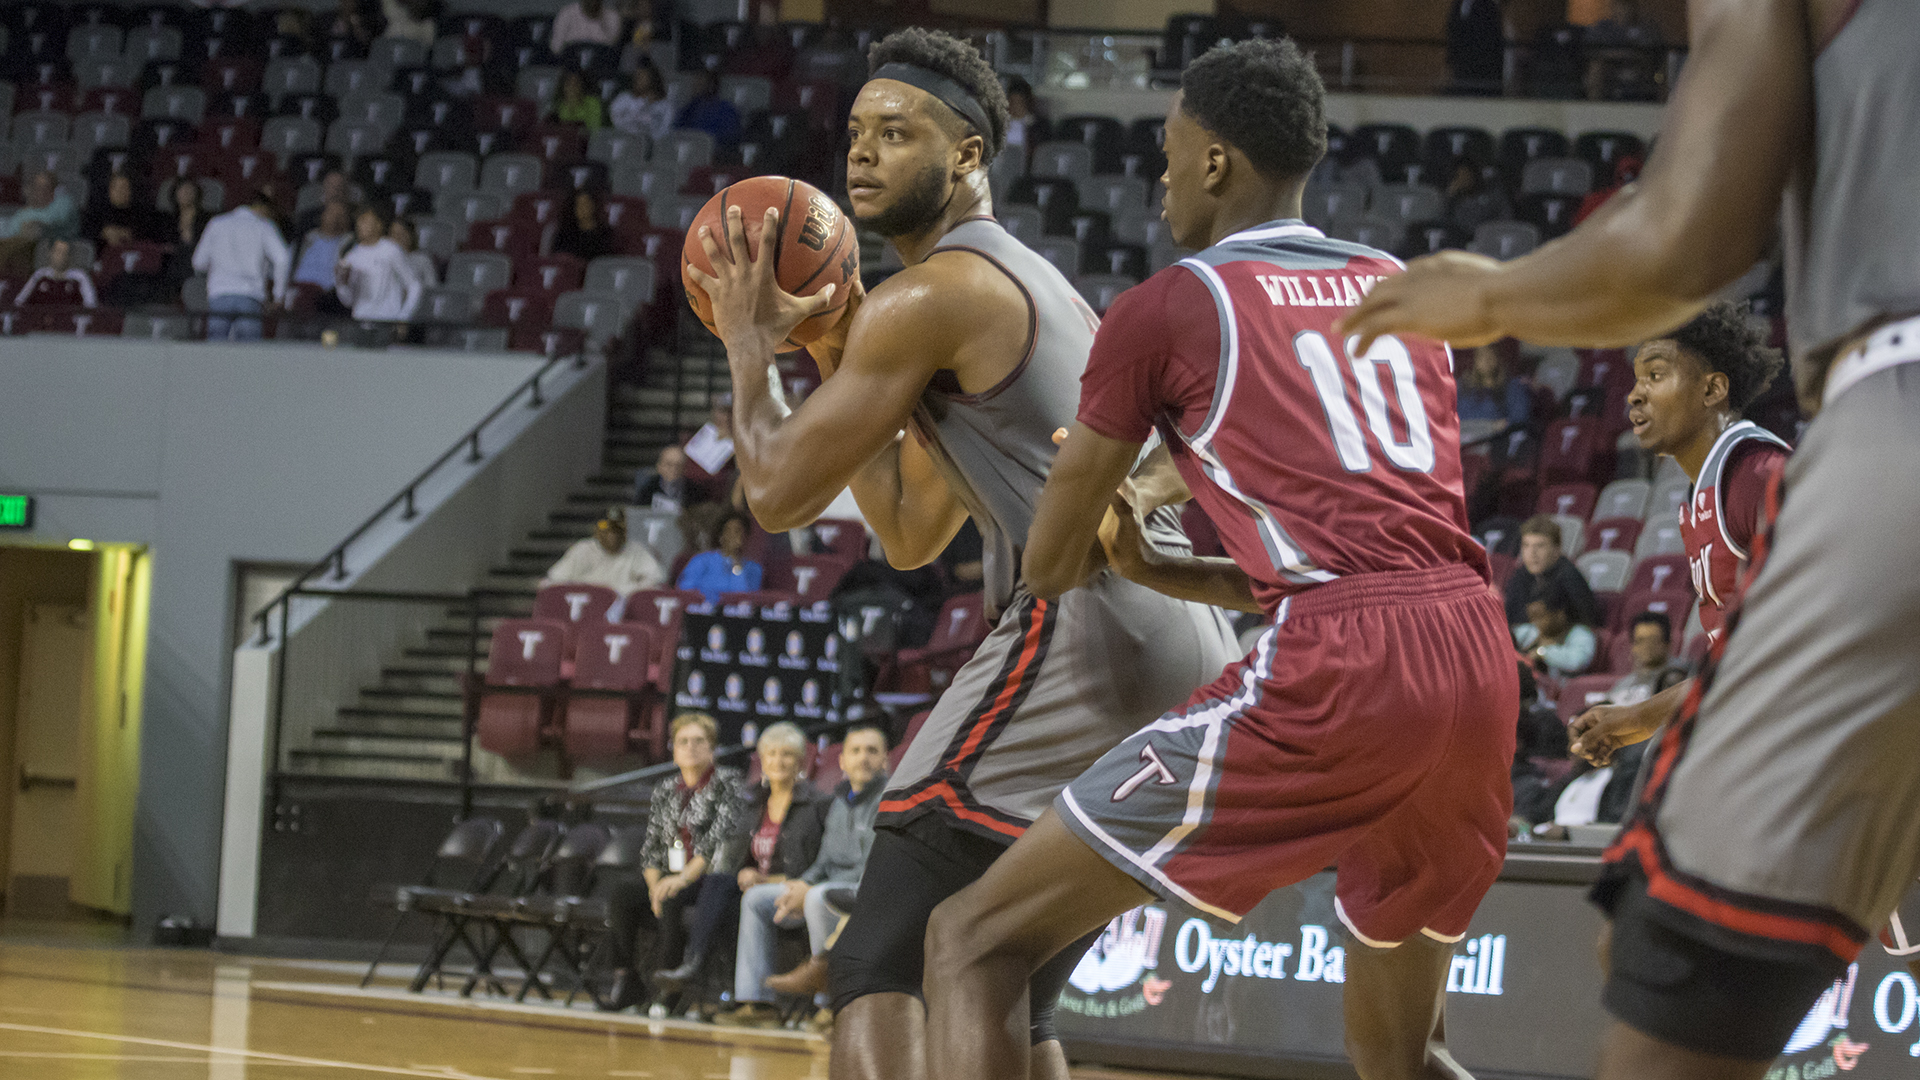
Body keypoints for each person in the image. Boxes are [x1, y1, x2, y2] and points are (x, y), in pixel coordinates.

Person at [915, 39, 1517, 1080]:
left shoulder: (1166, 307)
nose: (1157, 174)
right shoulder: (1392, 287)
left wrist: (1087, 491)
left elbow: (1051, 564)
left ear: (1214, 162)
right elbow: (1359, 553)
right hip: (1470, 650)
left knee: (969, 941)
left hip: (1342, 670)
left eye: (1166, 149)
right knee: (1403, 1055)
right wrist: (1164, 566)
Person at [1341, 0, 1920, 1070]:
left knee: (1670, 965)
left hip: (1897, 410)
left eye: (1659, 373)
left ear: (1706, 380)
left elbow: (1689, 232)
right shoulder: (1710, 483)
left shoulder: (1751, 467)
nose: (1639, 393)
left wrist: (1492, 297)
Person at [683, 28, 1237, 1080]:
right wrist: (819, 342)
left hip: (1093, 625)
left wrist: (749, 339)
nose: (862, 156)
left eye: (898, 134)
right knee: (1003, 983)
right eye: (855, 133)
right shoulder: (1012, 287)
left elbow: (777, 490)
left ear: (971, 153)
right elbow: (906, 530)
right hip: (1183, 653)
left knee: (878, 962)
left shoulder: (935, 294)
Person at [1565, 303, 1787, 758]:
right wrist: (1640, 716)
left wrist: (1642, 716)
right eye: (1635, 379)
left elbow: (1795, 652)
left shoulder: (1760, 475)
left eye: (1656, 375)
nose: (1634, 395)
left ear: (1713, 390)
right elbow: (1744, 663)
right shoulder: (1702, 494)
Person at [716, 724, 887, 1029]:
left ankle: (826, 1003)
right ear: (842, 762)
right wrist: (801, 884)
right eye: (855, 751)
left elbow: (875, 868)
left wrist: (810, 889)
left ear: (885, 760)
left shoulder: (888, 801)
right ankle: (757, 1002)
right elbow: (823, 861)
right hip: (829, 887)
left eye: (872, 751)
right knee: (756, 898)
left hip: (867, 891)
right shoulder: (839, 802)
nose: (863, 758)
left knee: (818, 898)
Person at [603, 713, 745, 1014]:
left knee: (673, 896)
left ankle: (670, 989)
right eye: (683, 742)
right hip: (670, 875)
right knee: (623, 894)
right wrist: (654, 886)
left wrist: (679, 881)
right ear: (673, 749)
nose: (691, 748)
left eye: (699, 741)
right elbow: (653, 846)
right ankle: (626, 978)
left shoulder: (728, 783)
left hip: (710, 877)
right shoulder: (666, 788)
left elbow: (716, 842)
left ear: (713, 748)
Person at [192, 190, 292, 342]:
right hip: (250, 295)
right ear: (262, 207)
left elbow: (198, 262)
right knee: (248, 355)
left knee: (215, 353)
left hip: (219, 294)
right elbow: (283, 259)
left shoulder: (216, 224)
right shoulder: (264, 226)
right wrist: (279, 296)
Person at [1502, 515, 1600, 629]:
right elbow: (1509, 620)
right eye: (1526, 546)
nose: (1532, 553)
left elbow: (1586, 622)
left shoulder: (1570, 577)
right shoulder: (1520, 576)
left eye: (1540, 546)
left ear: (1556, 550)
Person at [542, 507, 666, 595]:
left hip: (622, 613)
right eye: (606, 529)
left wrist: (629, 590)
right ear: (596, 530)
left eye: (617, 529)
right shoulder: (583, 549)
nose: (612, 535)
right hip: (586, 608)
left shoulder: (635, 550)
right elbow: (552, 581)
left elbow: (657, 580)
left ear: (625, 531)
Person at [334, 207, 423, 321]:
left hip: (388, 319)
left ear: (379, 225)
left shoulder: (391, 250)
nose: (361, 225)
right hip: (361, 319)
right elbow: (348, 301)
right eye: (359, 221)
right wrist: (342, 283)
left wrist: (404, 317)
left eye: (366, 221)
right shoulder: (352, 257)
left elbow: (414, 285)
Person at [0, 171, 80, 273]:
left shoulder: (63, 202)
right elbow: (9, 229)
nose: (40, 191)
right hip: (17, 243)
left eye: (45, 187)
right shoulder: (25, 212)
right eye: (36, 187)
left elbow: (55, 221)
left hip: (52, 245)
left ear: (53, 190)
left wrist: (36, 225)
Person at [1515, 579, 1597, 678]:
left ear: (1560, 614)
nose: (1534, 622)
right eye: (1532, 617)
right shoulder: (1530, 631)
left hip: (1564, 689)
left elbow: (1576, 661)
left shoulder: (1581, 634)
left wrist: (1542, 653)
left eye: (1540, 617)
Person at [1606, 611, 1687, 707]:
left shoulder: (1680, 678)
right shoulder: (1623, 684)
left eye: (1653, 641)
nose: (1646, 647)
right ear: (1633, 646)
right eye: (1640, 641)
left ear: (1667, 643)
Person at [676, 511, 760, 602]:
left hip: (733, 615)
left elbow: (743, 600)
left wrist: (736, 565)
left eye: (737, 531)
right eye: (728, 531)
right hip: (700, 612)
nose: (733, 536)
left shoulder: (753, 569)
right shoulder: (702, 561)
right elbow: (684, 592)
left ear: (745, 537)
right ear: (721, 536)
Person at [1455, 344, 1532, 442]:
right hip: (1462, 442)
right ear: (1475, 359)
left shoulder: (1512, 387)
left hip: (1493, 444)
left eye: (1491, 355)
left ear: (1498, 358)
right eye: (1481, 356)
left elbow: (1518, 421)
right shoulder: (1463, 386)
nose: (1486, 360)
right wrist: (1490, 426)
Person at [672, 69, 742, 159]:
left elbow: (730, 138)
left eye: (701, 81)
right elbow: (676, 129)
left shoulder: (726, 109)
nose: (695, 84)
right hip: (687, 151)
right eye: (696, 81)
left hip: (713, 156)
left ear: (711, 85)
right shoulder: (691, 107)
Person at [86, 173, 165, 250]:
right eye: (119, 188)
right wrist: (104, 233)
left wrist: (127, 234)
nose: (122, 192)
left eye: (125, 188)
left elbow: (147, 233)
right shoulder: (98, 211)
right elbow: (88, 230)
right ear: (111, 190)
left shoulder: (140, 213)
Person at [161, 176, 210, 296]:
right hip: (172, 264)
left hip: (196, 262)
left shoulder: (206, 219)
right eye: (182, 189)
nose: (186, 193)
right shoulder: (168, 219)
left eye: (190, 189)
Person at [15, 239, 99, 308]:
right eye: (58, 252)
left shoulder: (80, 277)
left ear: (69, 256)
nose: (61, 256)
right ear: (50, 253)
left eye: (65, 253)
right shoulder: (39, 275)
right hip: (40, 323)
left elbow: (90, 305)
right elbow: (19, 301)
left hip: (68, 324)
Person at [1445, 0, 1505, 95]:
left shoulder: (1487, 5)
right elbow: (1453, 30)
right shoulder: (1458, 4)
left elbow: (1490, 39)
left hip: (1482, 71)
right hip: (1461, 67)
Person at [292, 201, 354, 292]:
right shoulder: (306, 239)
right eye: (331, 213)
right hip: (297, 290)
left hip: (326, 295)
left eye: (340, 215)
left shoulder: (349, 244)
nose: (335, 219)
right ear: (322, 215)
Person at [609, 61, 675, 141]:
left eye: (641, 76)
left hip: (652, 145)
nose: (637, 79)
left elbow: (663, 130)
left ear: (651, 79)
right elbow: (616, 120)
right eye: (636, 76)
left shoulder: (664, 106)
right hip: (626, 142)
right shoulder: (624, 98)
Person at [551, 189, 618, 262]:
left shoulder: (605, 233)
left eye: (586, 204)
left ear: (593, 205)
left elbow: (606, 259)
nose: (583, 209)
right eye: (579, 205)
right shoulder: (566, 233)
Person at [294, 170, 355, 238]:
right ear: (324, 187)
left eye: (340, 186)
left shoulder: (355, 219)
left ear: (346, 190)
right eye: (331, 185)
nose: (336, 190)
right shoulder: (308, 218)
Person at [634, 445, 691, 512]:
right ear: (659, 467)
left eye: (679, 465)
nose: (674, 469)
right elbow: (638, 513)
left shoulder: (694, 490)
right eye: (669, 465)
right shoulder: (648, 489)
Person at [549, 0, 621, 53]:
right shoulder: (566, 14)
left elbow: (611, 47)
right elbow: (556, 47)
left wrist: (599, 19)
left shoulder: (613, 17)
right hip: (571, 64)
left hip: (600, 65)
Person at [387, 216, 439, 288]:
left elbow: (431, 287)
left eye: (402, 233)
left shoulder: (423, 260)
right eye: (394, 234)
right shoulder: (384, 258)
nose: (397, 238)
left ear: (411, 235)